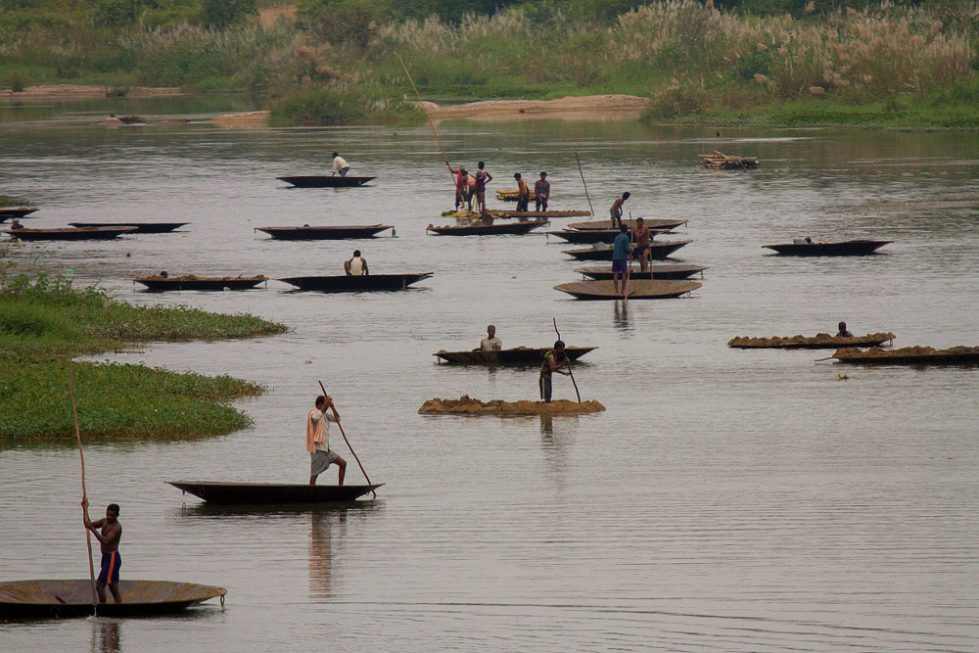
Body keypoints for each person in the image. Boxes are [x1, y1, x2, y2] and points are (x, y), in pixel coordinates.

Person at [81, 499, 123, 603]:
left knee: (99, 586)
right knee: (113, 586)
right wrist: (85, 509)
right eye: (107, 514)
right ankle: (120, 606)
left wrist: (92, 529)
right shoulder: (104, 521)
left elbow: (105, 541)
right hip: (106, 558)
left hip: (112, 558)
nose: (109, 517)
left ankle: (103, 607)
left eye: (112, 515)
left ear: (117, 515)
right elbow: (87, 524)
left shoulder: (117, 527)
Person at [306, 395, 347, 486]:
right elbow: (315, 418)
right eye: (325, 405)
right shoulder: (313, 413)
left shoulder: (325, 415)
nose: (326, 407)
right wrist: (325, 404)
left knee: (343, 464)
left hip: (326, 450)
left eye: (326, 406)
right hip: (317, 450)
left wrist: (332, 407)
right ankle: (310, 491)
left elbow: (338, 419)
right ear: (319, 404)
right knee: (314, 474)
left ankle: (340, 488)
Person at [612, 224, 632, 296]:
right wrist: (631, 250)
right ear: (626, 230)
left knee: (615, 273)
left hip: (615, 257)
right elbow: (626, 249)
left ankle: (616, 291)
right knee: (624, 273)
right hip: (621, 258)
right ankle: (622, 291)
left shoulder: (616, 237)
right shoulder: (626, 237)